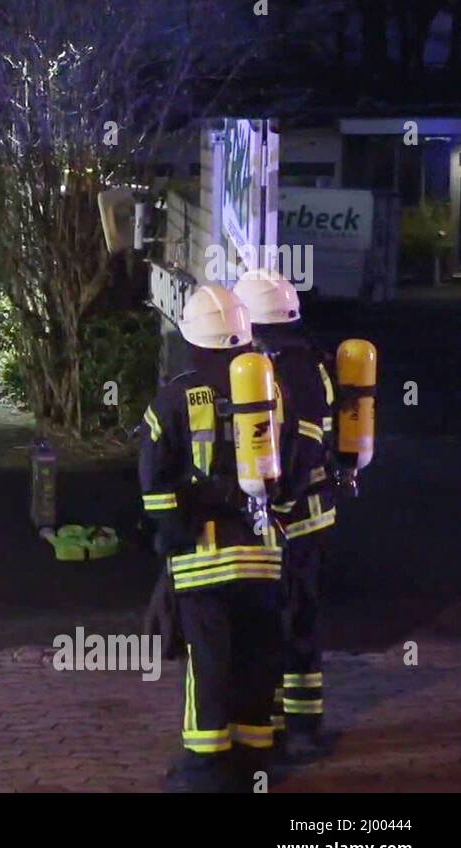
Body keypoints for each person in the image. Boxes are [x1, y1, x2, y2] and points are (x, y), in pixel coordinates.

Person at [139, 284, 286, 792]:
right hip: (263, 553)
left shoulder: (171, 398)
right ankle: (255, 763)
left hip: (204, 558)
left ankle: (204, 770)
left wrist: (173, 540)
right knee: (256, 657)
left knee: (209, 662)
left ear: (191, 339)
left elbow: (155, 486)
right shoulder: (268, 390)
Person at [234, 268, 336, 758]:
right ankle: (302, 720)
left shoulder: (278, 368)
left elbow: (301, 446)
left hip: (289, 514)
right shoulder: (312, 360)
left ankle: (286, 726)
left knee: (279, 614)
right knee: (301, 613)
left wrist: (278, 503)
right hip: (314, 512)